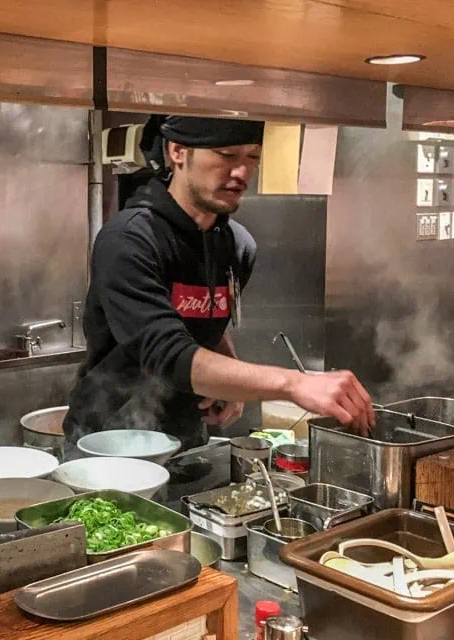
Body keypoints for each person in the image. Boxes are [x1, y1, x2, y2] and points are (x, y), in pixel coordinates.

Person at [63, 115, 375, 457]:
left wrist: (230, 376)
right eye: (227, 155)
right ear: (178, 151)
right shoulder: (129, 240)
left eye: (252, 157)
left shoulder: (238, 246)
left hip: (189, 440)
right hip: (107, 446)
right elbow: (166, 353)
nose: (242, 173)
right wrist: (294, 383)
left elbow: (205, 320)